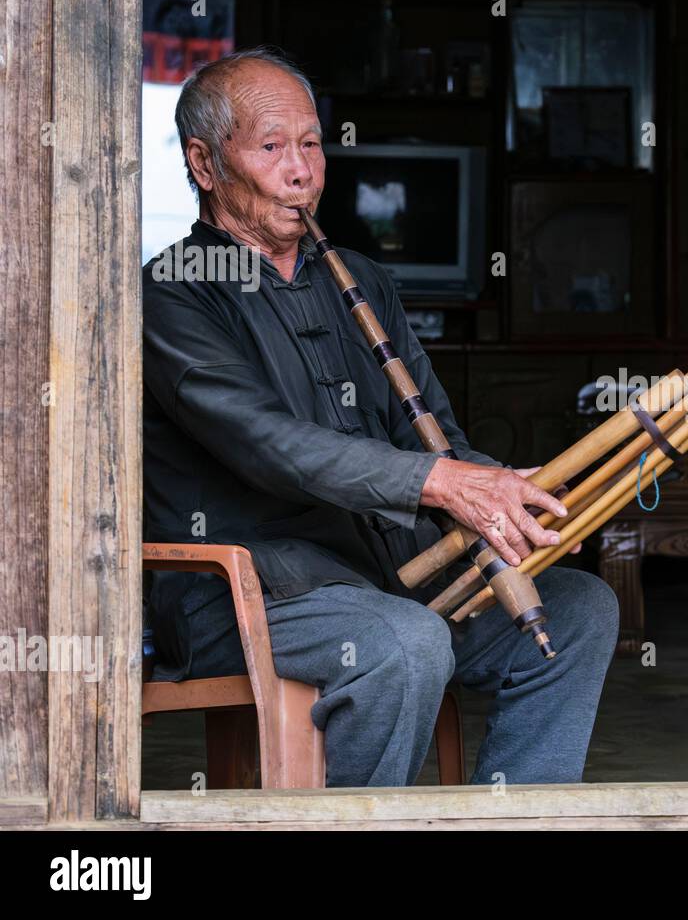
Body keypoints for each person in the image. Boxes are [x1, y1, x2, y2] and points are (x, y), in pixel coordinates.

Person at [142, 46, 618, 787]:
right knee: (403, 643)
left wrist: (503, 490)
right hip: (244, 594)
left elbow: (436, 438)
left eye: (311, 144)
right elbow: (267, 443)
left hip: (385, 577)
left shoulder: (361, 278)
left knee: (580, 609)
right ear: (204, 165)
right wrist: (444, 483)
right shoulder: (176, 288)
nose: (302, 170)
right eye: (272, 147)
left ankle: (515, 819)